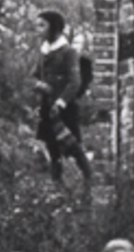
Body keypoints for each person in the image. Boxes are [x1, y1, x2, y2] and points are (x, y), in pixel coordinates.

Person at [30, 10, 93, 186]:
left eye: (42, 25)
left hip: (64, 108)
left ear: (55, 28)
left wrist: (61, 101)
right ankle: (57, 186)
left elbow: (75, 82)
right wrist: (38, 84)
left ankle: (90, 181)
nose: (38, 29)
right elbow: (34, 74)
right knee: (52, 147)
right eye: (37, 25)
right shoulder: (44, 51)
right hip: (47, 107)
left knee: (74, 147)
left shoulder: (68, 52)